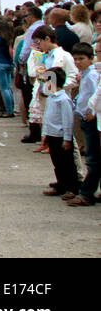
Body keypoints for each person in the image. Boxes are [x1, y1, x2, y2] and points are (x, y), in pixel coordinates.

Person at [41, 66, 80, 199]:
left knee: (67, 163)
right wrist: (45, 134)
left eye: (46, 82)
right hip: (52, 135)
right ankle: (61, 184)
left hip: (61, 136)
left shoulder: (63, 100)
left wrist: (67, 139)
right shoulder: (51, 98)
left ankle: (73, 188)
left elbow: (68, 121)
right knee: (57, 162)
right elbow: (47, 117)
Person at [70, 43, 98, 206]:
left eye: (81, 59)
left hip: (90, 118)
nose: (78, 62)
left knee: (92, 158)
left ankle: (86, 193)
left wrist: (92, 111)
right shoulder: (86, 74)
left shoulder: (92, 75)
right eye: (76, 59)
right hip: (81, 115)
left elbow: (95, 94)